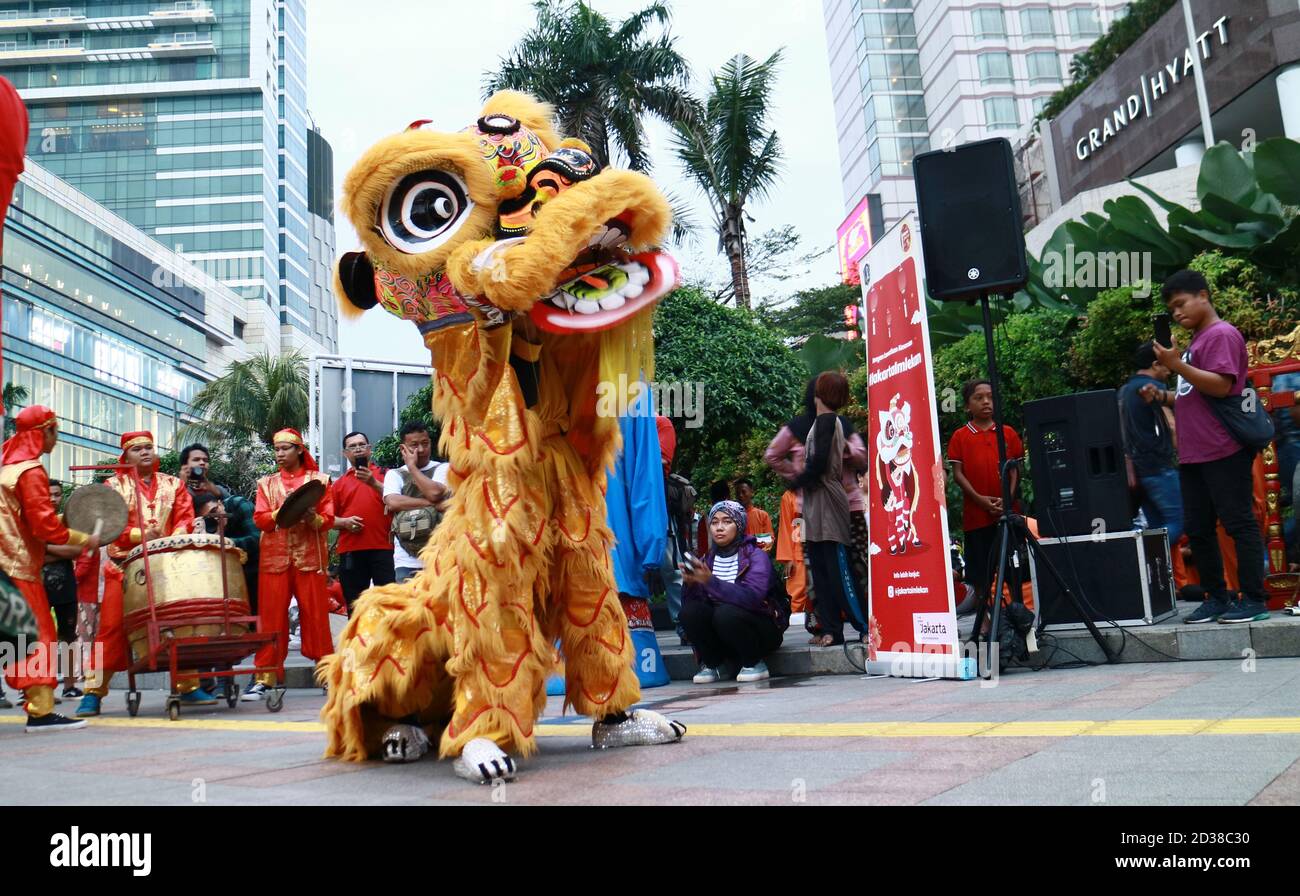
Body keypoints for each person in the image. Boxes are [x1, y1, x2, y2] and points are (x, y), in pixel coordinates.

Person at [1150, 269, 1270, 624]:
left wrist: (1175, 365)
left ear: (1203, 295)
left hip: (1223, 447)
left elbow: (1221, 386)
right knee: (1199, 528)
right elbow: (1194, 395)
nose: (1176, 313)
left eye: (1181, 303)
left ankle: (1254, 599)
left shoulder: (1221, 334)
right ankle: (1217, 597)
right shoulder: (1197, 341)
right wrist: (1164, 395)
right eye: (1171, 309)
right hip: (1195, 453)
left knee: (1238, 523)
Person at [77, 432, 198, 717]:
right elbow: (107, 526)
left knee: (177, 622)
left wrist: (171, 538)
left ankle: (189, 685)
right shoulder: (112, 486)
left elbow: (185, 517)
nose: (145, 452)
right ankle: (93, 692)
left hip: (165, 566)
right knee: (111, 629)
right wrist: (137, 535)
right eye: (138, 449)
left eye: (148, 448)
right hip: (124, 567)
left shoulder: (174, 484)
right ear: (125, 456)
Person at [0, 407, 98, 730]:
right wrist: (84, 538)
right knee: (37, 636)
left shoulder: (6, 470)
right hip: (16, 567)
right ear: (46, 431)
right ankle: (40, 711)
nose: (56, 438)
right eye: (56, 431)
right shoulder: (30, 471)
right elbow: (43, 526)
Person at [765, 375, 871, 631]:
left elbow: (861, 456)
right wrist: (798, 476)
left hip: (846, 505)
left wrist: (840, 450)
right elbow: (773, 455)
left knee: (855, 567)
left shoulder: (840, 424)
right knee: (817, 569)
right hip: (809, 507)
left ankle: (866, 622)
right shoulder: (798, 428)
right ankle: (826, 625)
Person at [244, 428, 335, 700]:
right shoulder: (266, 484)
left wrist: (312, 518)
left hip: (309, 558)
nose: (280, 454)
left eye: (285, 448)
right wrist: (282, 512)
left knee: (317, 617)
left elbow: (328, 519)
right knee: (271, 618)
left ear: (299, 450)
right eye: (277, 449)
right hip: (275, 558)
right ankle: (266, 677)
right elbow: (260, 520)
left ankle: (328, 675)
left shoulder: (319, 481)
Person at [680, 500, 786, 683]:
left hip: (761, 629)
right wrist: (691, 585)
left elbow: (752, 598)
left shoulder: (756, 556)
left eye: (727, 522)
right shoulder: (707, 560)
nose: (719, 528)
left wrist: (710, 581)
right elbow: (696, 608)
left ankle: (754, 663)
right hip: (724, 630)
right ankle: (714, 665)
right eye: (714, 522)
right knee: (689, 612)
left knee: (725, 613)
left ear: (739, 525)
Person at [947, 380, 1023, 612]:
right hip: (976, 516)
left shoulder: (1007, 433)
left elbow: (1016, 469)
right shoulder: (960, 436)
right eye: (978, 398)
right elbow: (958, 474)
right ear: (967, 405)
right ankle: (986, 619)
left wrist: (1007, 499)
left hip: (1008, 513)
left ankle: (1018, 614)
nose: (986, 402)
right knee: (981, 572)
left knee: (1014, 567)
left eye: (990, 396)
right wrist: (979, 499)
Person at [1121, 342, 1183, 547]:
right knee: (1178, 522)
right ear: (1156, 364)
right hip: (1159, 465)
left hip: (1138, 469)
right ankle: (1135, 554)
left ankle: (1143, 556)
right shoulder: (1153, 388)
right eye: (1167, 365)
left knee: (1156, 527)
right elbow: (1171, 426)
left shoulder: (1124, 391)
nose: (1170, 371)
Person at [330, 430, 394, 613]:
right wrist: (344, 522)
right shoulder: (339, 484)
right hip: (351, 551)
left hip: (384, 548)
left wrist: (373, 482)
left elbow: (398, 500)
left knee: (388, 605)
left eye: (361, 445)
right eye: (352, 446)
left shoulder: (387, 475)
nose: (358, 449)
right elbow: (327, 518)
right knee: (356, 607)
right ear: (345, 453)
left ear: (369, 449)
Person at [382, 421, 451, 584]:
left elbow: (434, 493)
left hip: (441, 557)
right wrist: (434, 505)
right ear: (403, 448)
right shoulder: (394, 474)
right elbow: (393, 502)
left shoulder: (443, 468)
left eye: (425, 443)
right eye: (414, 445)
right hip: (407, 560)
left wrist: (412, 468)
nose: (420, 450)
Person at [42, 480, 83, 698]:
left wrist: (45, 548)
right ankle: (34, 688)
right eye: (48, 494)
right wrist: (61, 550)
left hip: (65, 587)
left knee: (68, 636)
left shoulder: (67, 523)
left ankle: (69, 686)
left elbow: (76, 551)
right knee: (35, 638)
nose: (52, 498)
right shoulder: (31, 522)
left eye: (57, 494)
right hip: (37, 588)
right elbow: (30, 555)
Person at [734, 478, 774, 553]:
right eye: (737, 493)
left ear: (751, 492)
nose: (740, 495)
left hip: (759, 557)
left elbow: (769, 541)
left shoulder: (762, 515)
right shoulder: (733, 517)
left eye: (743, 492)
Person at [697, 480, 730, 557]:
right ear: (728, 497)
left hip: (711, 561)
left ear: (711, 499)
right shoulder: (736, 517)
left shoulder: (704, 521)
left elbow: (702, 550)